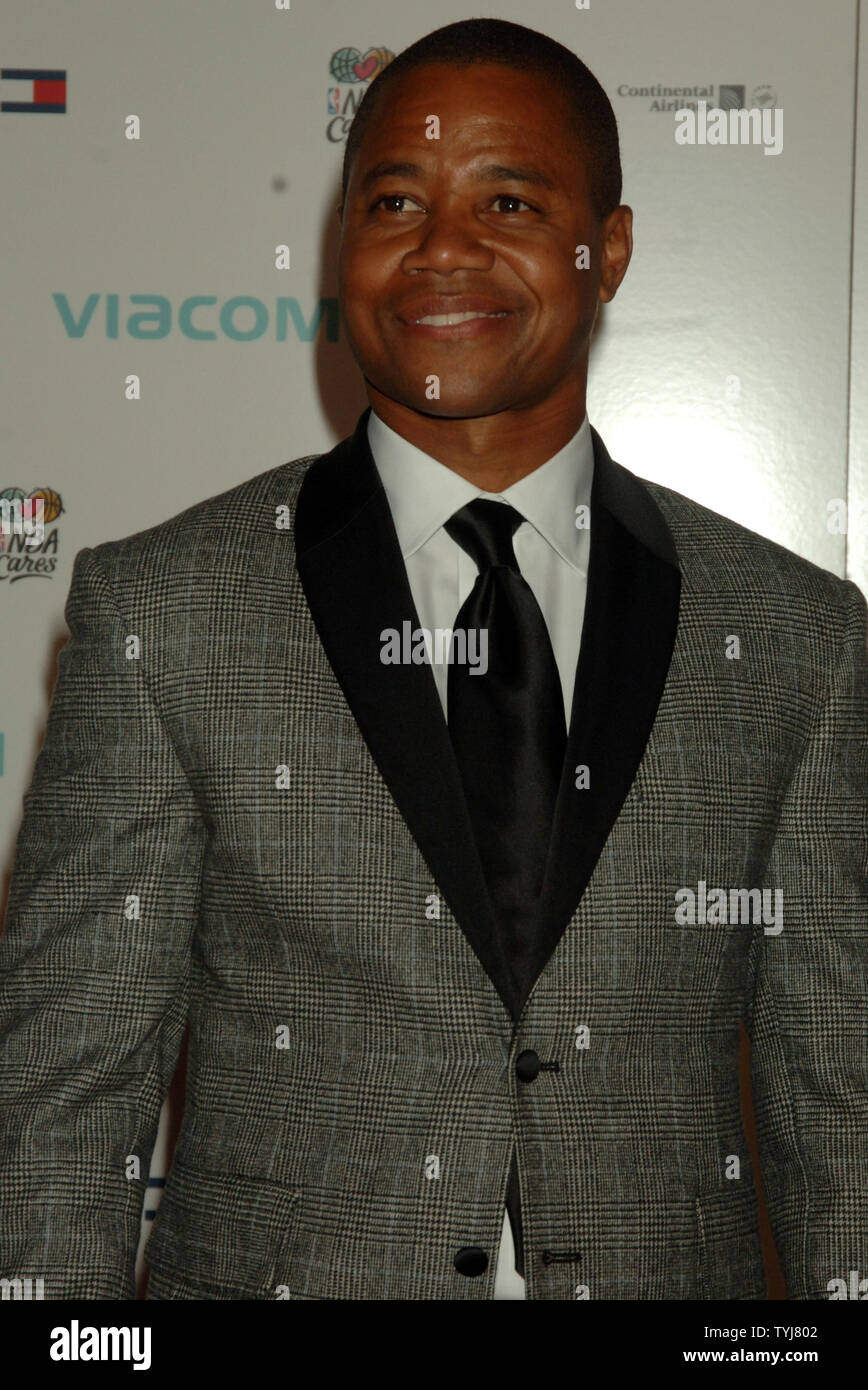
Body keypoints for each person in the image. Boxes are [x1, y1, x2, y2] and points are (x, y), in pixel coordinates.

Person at [1, 17, 865, 1302]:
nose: (441, 248)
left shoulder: (798, 638)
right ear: (342, 248)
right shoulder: (164, 613)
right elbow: (66, 1106)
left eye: (507, 200)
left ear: (606, 251)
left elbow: (839, 1109)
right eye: (394, 201)